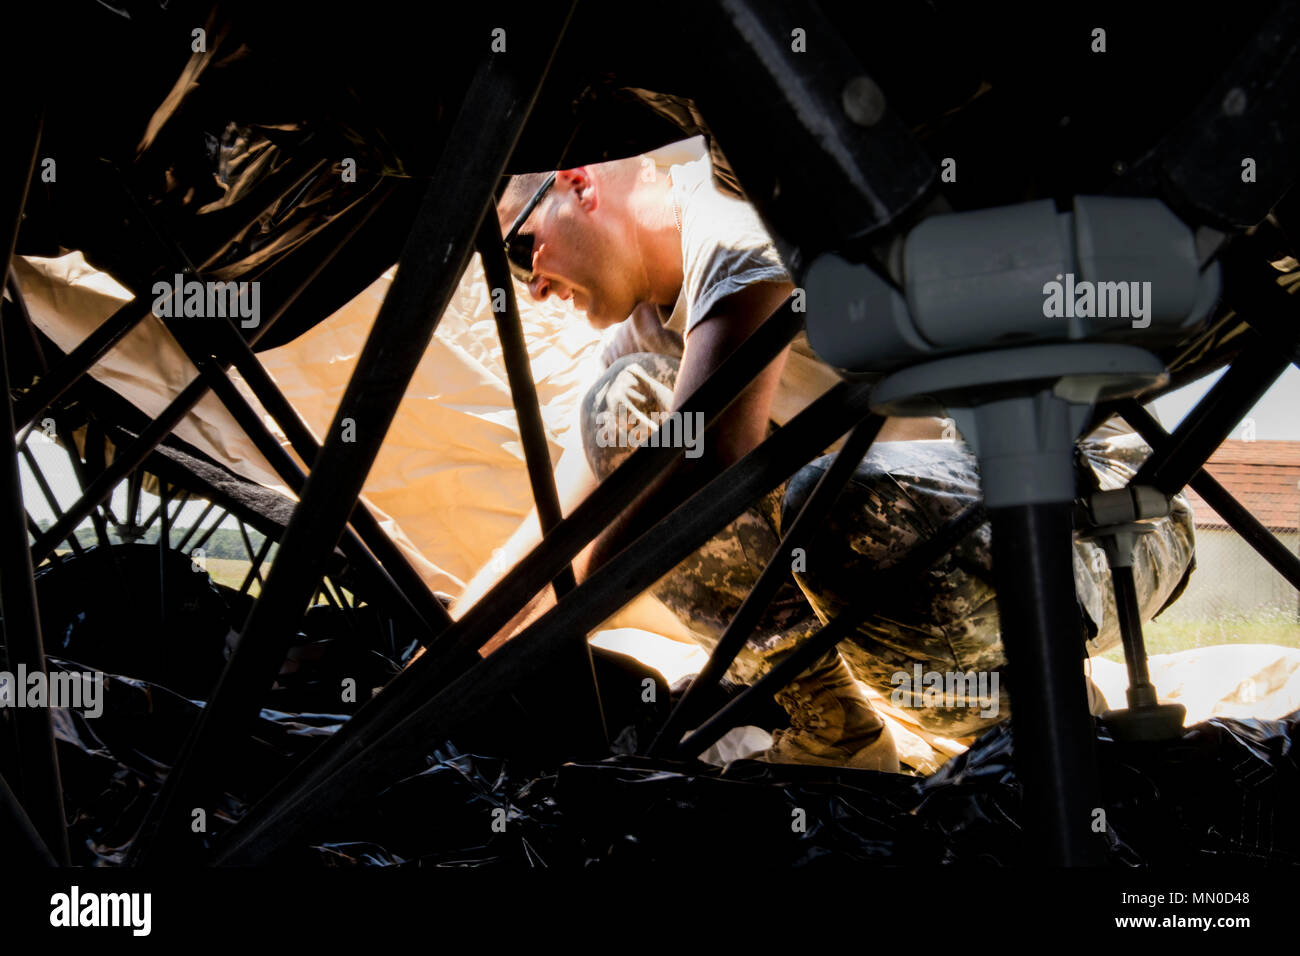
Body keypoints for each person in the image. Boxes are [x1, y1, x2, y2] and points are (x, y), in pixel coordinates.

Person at [454, 144, 1196, 772]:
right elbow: (555, 536)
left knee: (825, 500)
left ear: (578, 183)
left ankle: (1036, 732)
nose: (535, 287)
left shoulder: (735, 209)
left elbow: (713, 451)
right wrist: (432, 674)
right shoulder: (648, 336)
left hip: (1095, 504)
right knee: (619, 415)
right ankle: (838, 737)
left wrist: (559, 629)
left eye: (522, 252)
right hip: (934, 522)